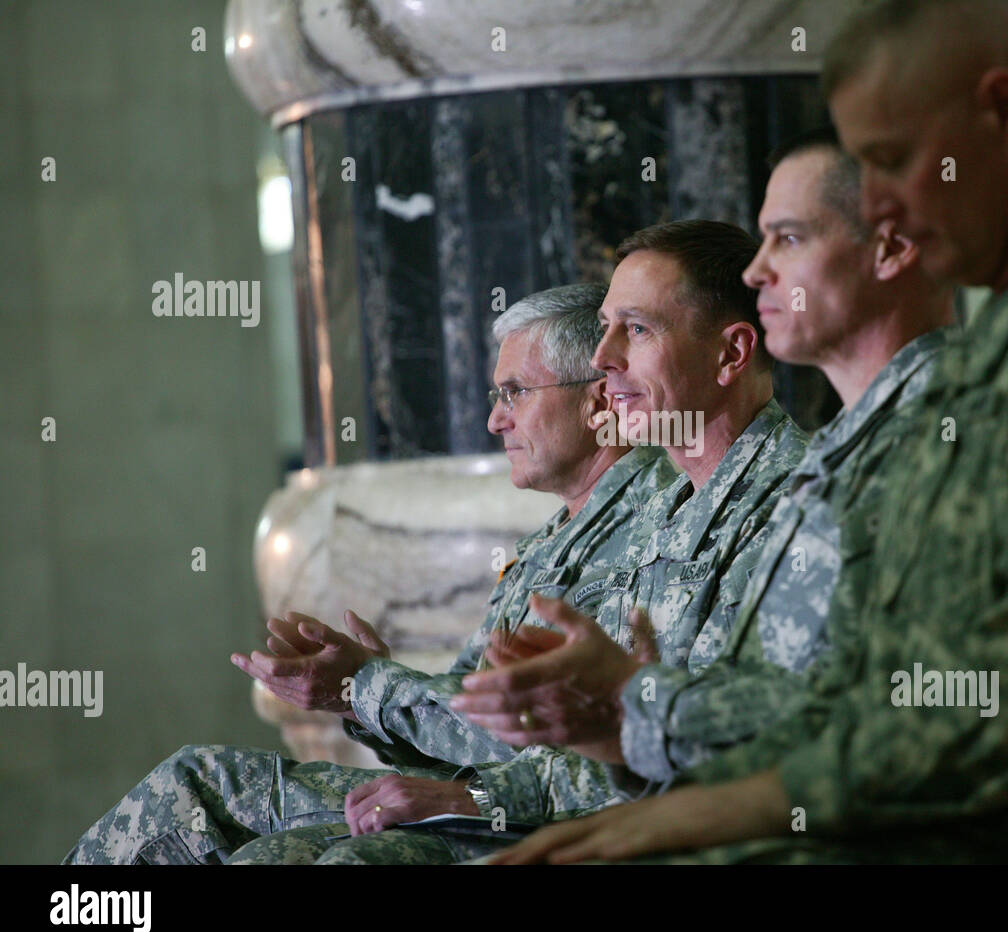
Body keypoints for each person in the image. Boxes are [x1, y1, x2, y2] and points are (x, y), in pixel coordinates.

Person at [494, 0, 1008, 865]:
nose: (877, 206)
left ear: (1002, 112)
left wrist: (707, 807)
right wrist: (654, 761)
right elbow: (871, 695)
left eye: (891, 160)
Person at [227, 219, 811, 863]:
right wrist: (367, 696)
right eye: (609, 326)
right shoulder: (672, 507)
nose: (603, 358)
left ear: (731, 354)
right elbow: (576, 731)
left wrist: (471, 791)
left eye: (637, 330)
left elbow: (733, 750)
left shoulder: (797, 508)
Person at [63, 282, 675, 864]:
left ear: (597, 401)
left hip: (528, 814)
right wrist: (358, 696)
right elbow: (471, 704)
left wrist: (371, 687)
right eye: (496, 397)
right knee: (196, 783)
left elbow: (559, 737)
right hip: (471, 796)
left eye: (515, 392)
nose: (496, 420)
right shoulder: (549, 542)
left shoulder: (657, 533)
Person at [451, 129, 955, 802]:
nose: (757, 272)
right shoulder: (837, 459)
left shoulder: (939, 437)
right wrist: (615, 728)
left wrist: (632, 705)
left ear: (889, 249)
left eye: (789, 239)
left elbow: (881, 728)